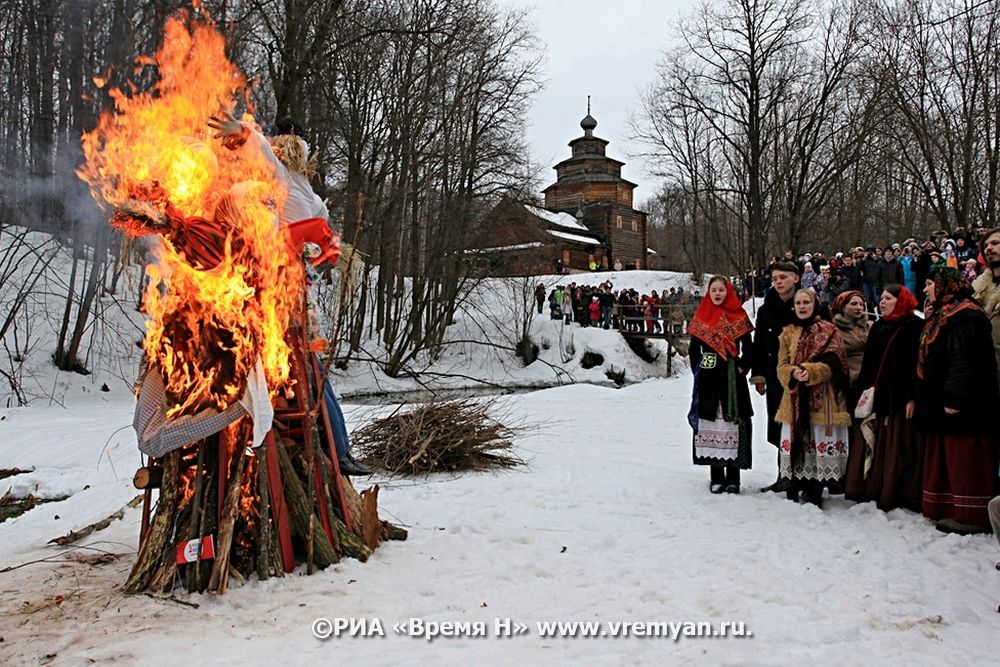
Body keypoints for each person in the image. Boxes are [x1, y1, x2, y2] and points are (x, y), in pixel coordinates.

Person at [209, 112, 369, 475]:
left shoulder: (284, 179)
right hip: (291, 287)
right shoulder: (301, 186)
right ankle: (338, 449)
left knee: (311, 373)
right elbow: (320, 232)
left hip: (285, 289)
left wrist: (245, 133)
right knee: (313, 373)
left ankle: (336, 451)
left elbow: (263, 155)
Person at [917, 266, 1000, 533]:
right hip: (942, 398)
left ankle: (971, 514)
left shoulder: (966, 315)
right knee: (948, 455)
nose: (925, 289)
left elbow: (966, 360)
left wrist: (954, 396)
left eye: (929, 284)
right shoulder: (945, 312)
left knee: (965, 457)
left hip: (967, 403)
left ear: (945, 285)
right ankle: (946, 506)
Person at [845, 285, 923, 510]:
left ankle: (896, 491)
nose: (882, 302)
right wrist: (863, 392)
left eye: (888, 298)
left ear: (902, 301)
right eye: (882, 298)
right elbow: (869, 362)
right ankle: (871, 487)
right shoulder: (879, 326)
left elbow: (916, 364)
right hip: (877, 396)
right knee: (873, 440)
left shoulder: (914, 327)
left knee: (897, 443)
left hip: (899, 397)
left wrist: (912, 396)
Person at [775, 288, 851, 508]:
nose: (802, 307)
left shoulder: (829, 330)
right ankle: (797, 483)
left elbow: (837, 364)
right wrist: (792, 373)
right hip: (794, 398)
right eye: (798, 303)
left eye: (806, 302)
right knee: (798, 441)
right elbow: (781, 366)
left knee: (817, 441)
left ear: (814, 304)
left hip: (822, 397)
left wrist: (811, 370)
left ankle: (816, 489)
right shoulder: (787, 332)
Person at [687, 276, 754, 493]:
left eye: (721, 290)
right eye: (713, 290)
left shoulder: (738, 316)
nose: (717, 294)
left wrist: (743, 366)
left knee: (733, 422)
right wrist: (699, 369)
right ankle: (716, 476)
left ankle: (733, 478)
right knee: (712, 423)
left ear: (728, 292)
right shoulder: (702, 316)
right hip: (708, 379)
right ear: (708, 292)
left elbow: (748, 347)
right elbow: (693, 349)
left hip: (732, 379)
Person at [750, 262, 800, 492]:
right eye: (775, 278)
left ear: (795, 279)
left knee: (800, 424)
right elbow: (759, 343)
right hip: (774, 374)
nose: (778, 282)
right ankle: (784, 474)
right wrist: (758, 375)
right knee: (779, 424)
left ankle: (804, 476)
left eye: (783, 277)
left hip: (800, 374)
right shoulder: (765, 309)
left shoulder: (804, 303)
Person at [830, 290, 870, 411]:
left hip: (869, 379)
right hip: (847, 381)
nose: (859, 307)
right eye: (854, 304)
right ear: (842, 307)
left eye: (861, 304)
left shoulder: (869, 326)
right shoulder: (833, 330)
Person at [972, 228, 1000, 389]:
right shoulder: (975, 292)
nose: (989, 248)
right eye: (986, 245)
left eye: (995, 243)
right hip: (985, 378)